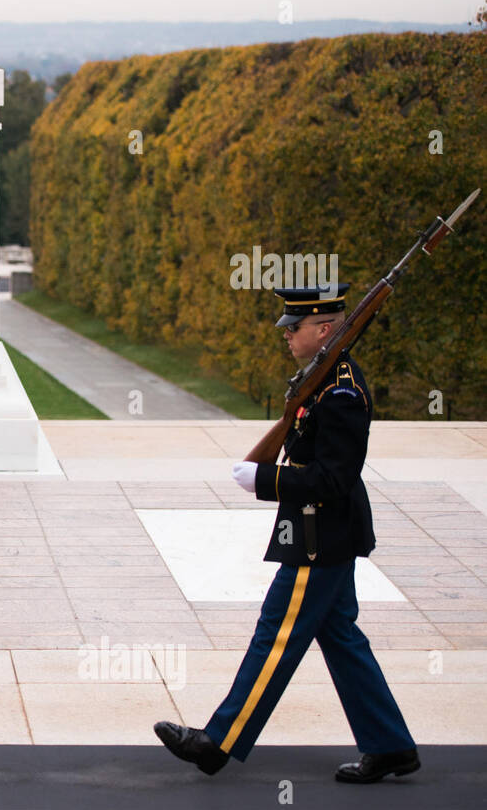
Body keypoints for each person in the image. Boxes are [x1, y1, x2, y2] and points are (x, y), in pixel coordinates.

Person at [154, 285, 419, 783]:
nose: (286, 335)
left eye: (293, 328)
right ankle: (389, 746)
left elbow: (333, 480)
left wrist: (266, 479)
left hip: (320, 536)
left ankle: (218, 742)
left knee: (275, 636)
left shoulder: (342, 393)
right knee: (340, 636)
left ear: (324, 331)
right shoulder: (323, 380)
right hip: (323, 532)